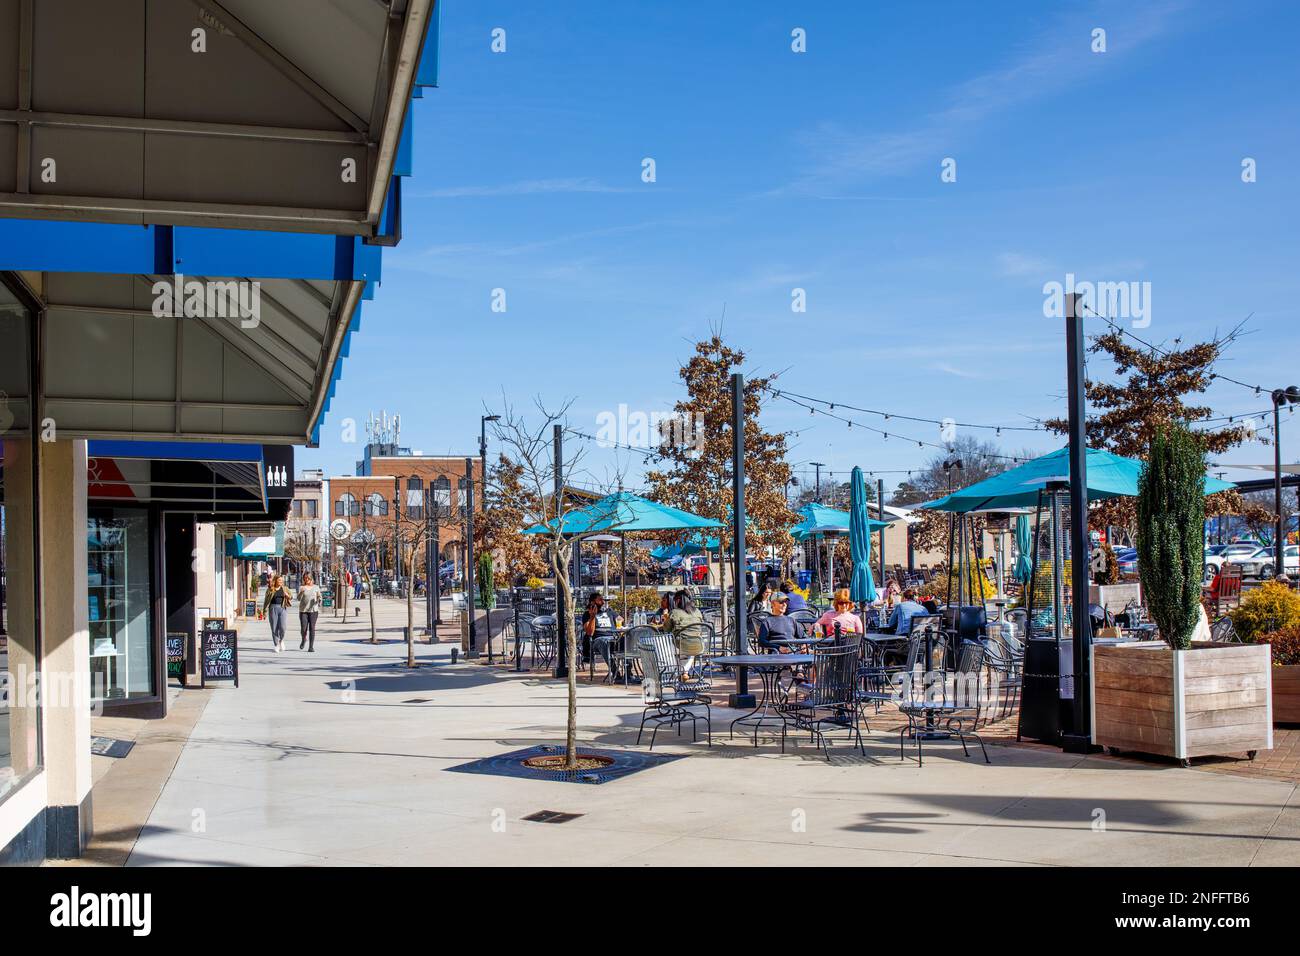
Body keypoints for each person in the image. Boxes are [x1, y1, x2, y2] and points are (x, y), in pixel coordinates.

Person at [666, 591, 706, 674]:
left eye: (674, 600)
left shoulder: (675, 612)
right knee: (691, 647)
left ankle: (678, 671)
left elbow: (666, 629)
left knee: (666, 642)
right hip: (699, 644)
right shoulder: (697, 611)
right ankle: (685, 671)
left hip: (681, 644)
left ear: (678, 600)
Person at [582, 594, 621, 679]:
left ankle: (628, 672)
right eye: (600, 600)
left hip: (613, 637)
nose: (603, 602)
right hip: (598, 640)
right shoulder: (587, 614)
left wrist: (617, 621)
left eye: (603, 600)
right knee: (604, 642)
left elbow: (620, 619)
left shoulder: (609, 611)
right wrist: (592, 617)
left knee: (626, 640)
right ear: (592, 602)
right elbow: (589, 633)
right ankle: (615, 671)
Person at [262, 573, 292, 652]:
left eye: (282, 580)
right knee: (274, 627)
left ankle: (281, 640)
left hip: (282, 609)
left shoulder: (285, 588)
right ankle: (276, 644)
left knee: (283, 627)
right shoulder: (270, 589)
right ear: (275, 581)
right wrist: (264, 612)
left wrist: (287, 596)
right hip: (273, 608)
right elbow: (266, 601)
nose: (281, 581)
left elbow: (291, 596)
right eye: (279, 580)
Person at [296, 573, 323, 651]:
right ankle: (304, 639)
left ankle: (311, 646)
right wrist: (301, 592)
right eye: (305, 578)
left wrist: (319, 599)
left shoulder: (316, 587)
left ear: (311, 578)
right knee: (303, 628)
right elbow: (298, 598)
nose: (306, 580)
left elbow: (319, 596)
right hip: (303, 611)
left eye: (307, 578)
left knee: (312, 628)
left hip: (313, 610)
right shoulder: (302, 587)